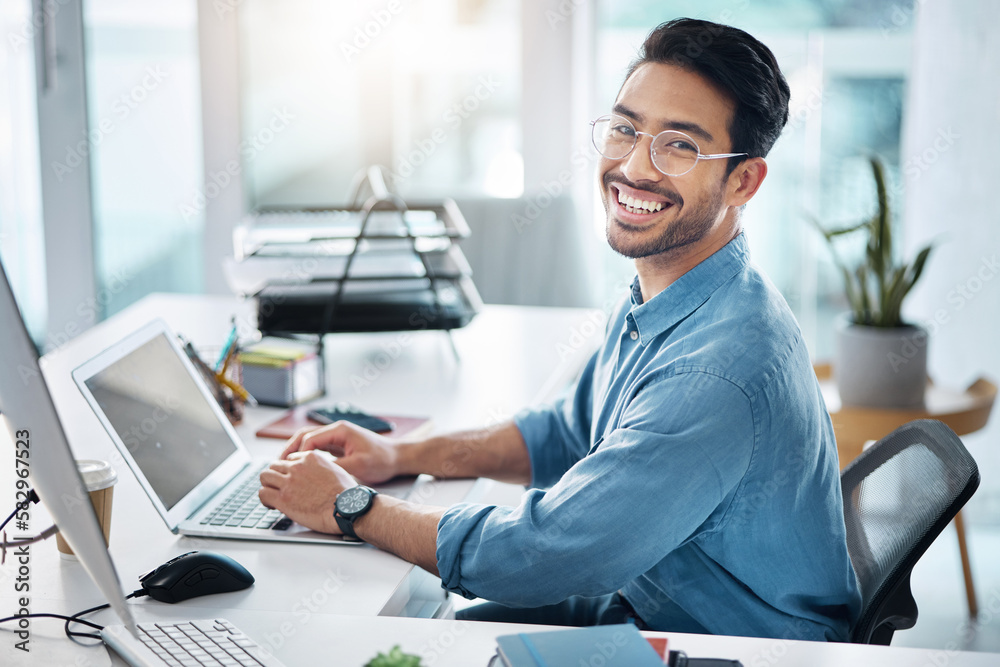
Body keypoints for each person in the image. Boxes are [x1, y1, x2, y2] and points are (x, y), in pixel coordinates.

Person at [259, 18, 862, 641]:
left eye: (679, 145)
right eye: (626, 129)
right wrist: (397, 455)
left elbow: (547, 553)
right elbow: (568, 433)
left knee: (371, 642)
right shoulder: (667, 290)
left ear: (744, 181)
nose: (634, 167)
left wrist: (351, 507)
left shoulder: (717, 369)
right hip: (644, 605)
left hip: (722, 646)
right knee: (396, 639)